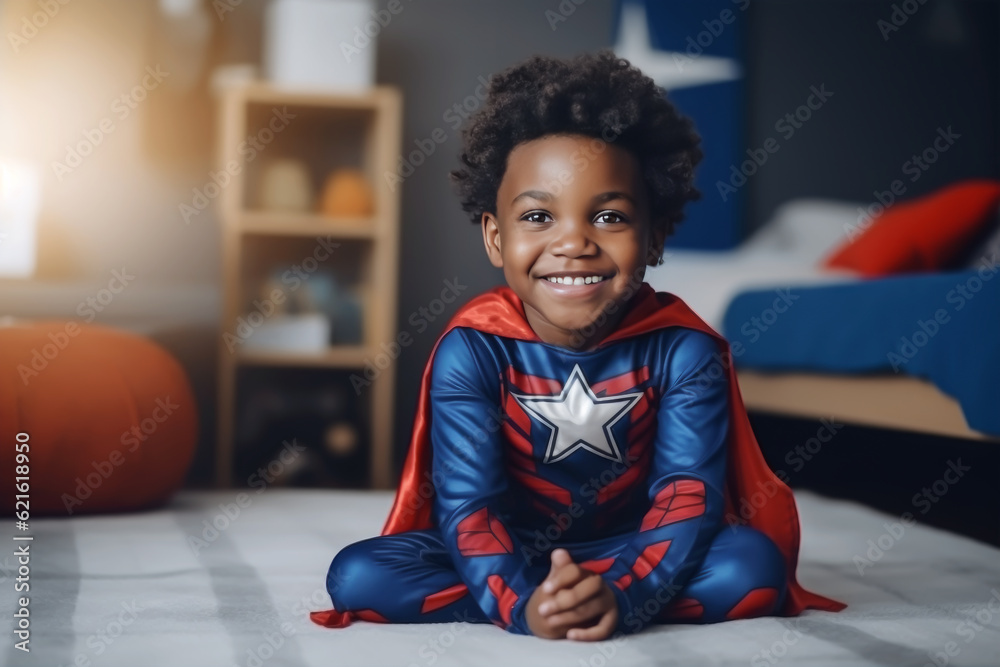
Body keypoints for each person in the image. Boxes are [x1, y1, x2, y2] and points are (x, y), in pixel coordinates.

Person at [311, 51, 845, 640]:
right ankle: (549, 600)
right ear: (495, 236)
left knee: (751, 567)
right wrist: (520, 604)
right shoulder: (474, 349)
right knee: (359, 574)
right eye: (539, 216)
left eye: (610, 217)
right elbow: (470, 508)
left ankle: (587, 600)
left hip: (635, 548)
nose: (573, 244)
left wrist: (627, 593)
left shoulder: (682, 352)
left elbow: (685, 498)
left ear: (655, 236)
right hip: (507, 549)